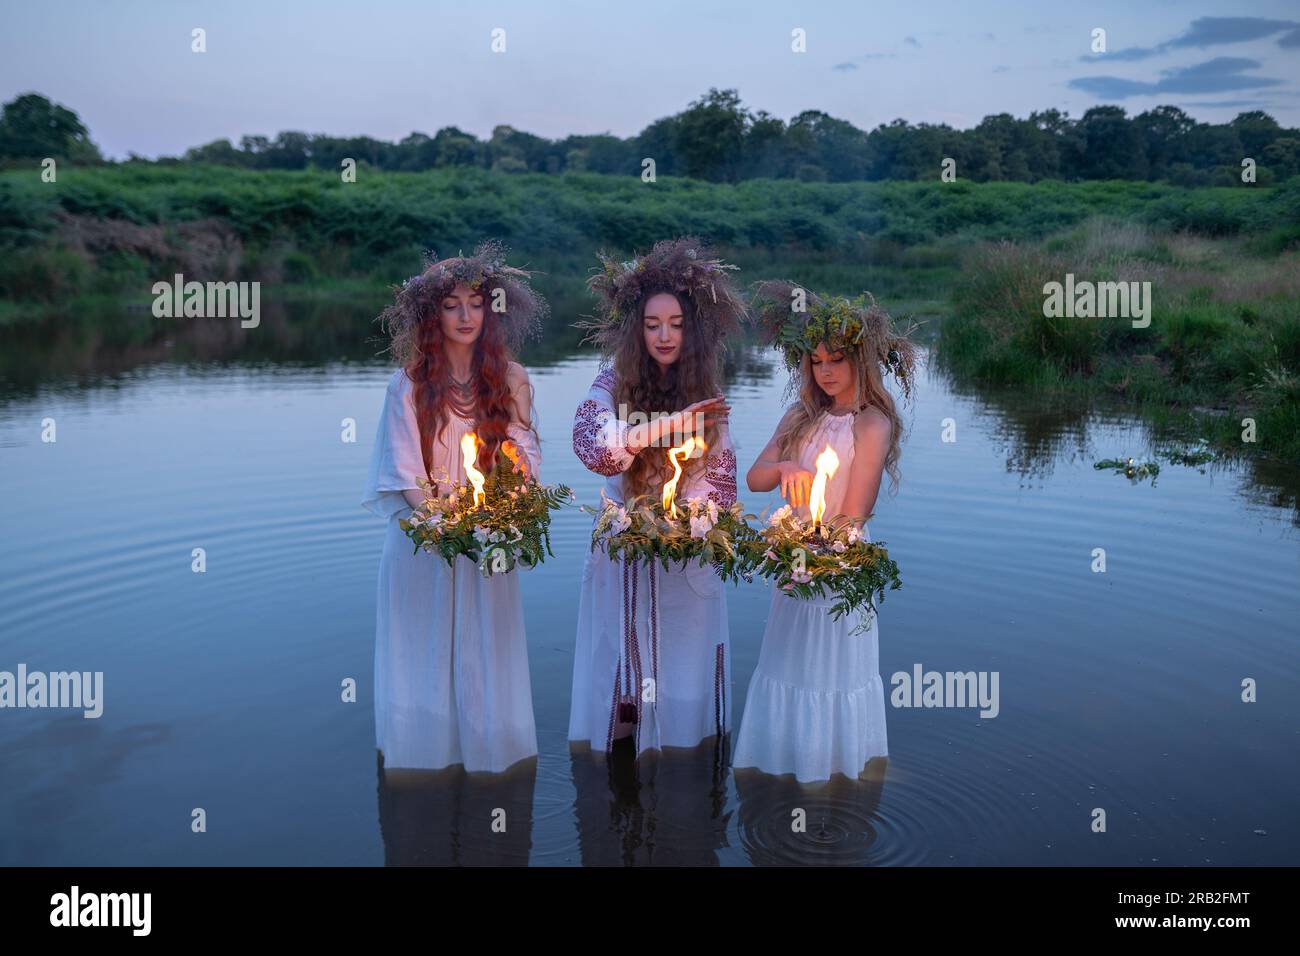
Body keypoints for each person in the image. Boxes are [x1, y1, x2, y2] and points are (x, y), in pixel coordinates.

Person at [362, 241, 547, 773]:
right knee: (423, 654)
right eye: (451, 305)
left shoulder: (510, 377)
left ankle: (493, 764)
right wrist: (447, 529)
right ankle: (423, 767)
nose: (466, 316)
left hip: (488, 543)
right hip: (424, 545)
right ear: (431, 315)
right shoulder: (409, 385)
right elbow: (405, 477)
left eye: (475, 302)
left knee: (488, 653)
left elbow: (525, 467)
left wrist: (497, 518)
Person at [733, 280, 918, 783]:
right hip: (791, 568)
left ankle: (830, 781)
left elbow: (855, 515)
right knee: (788, 671)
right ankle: (780, 775)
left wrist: (815, 553)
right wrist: (789, 465)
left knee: (828, 678)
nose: (826, 370)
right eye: (816, 361)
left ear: (861, 359)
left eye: (836, 358)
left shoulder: (871, 423)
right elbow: (754, 478)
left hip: (835, 570)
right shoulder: (801, 415)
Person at [568, 237, 745, 758]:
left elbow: (724, 488)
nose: (664, 335)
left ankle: (685, 785)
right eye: (652, 324)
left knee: (681, 683)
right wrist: (663, 427)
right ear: (635, 329)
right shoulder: (611, 382)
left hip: (683, 562)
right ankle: (617, 786)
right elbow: (592, 447)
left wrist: (689, 522)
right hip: (622, 559)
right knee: (623, 681)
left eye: (676, 324)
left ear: (692, 330)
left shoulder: (707, 392)